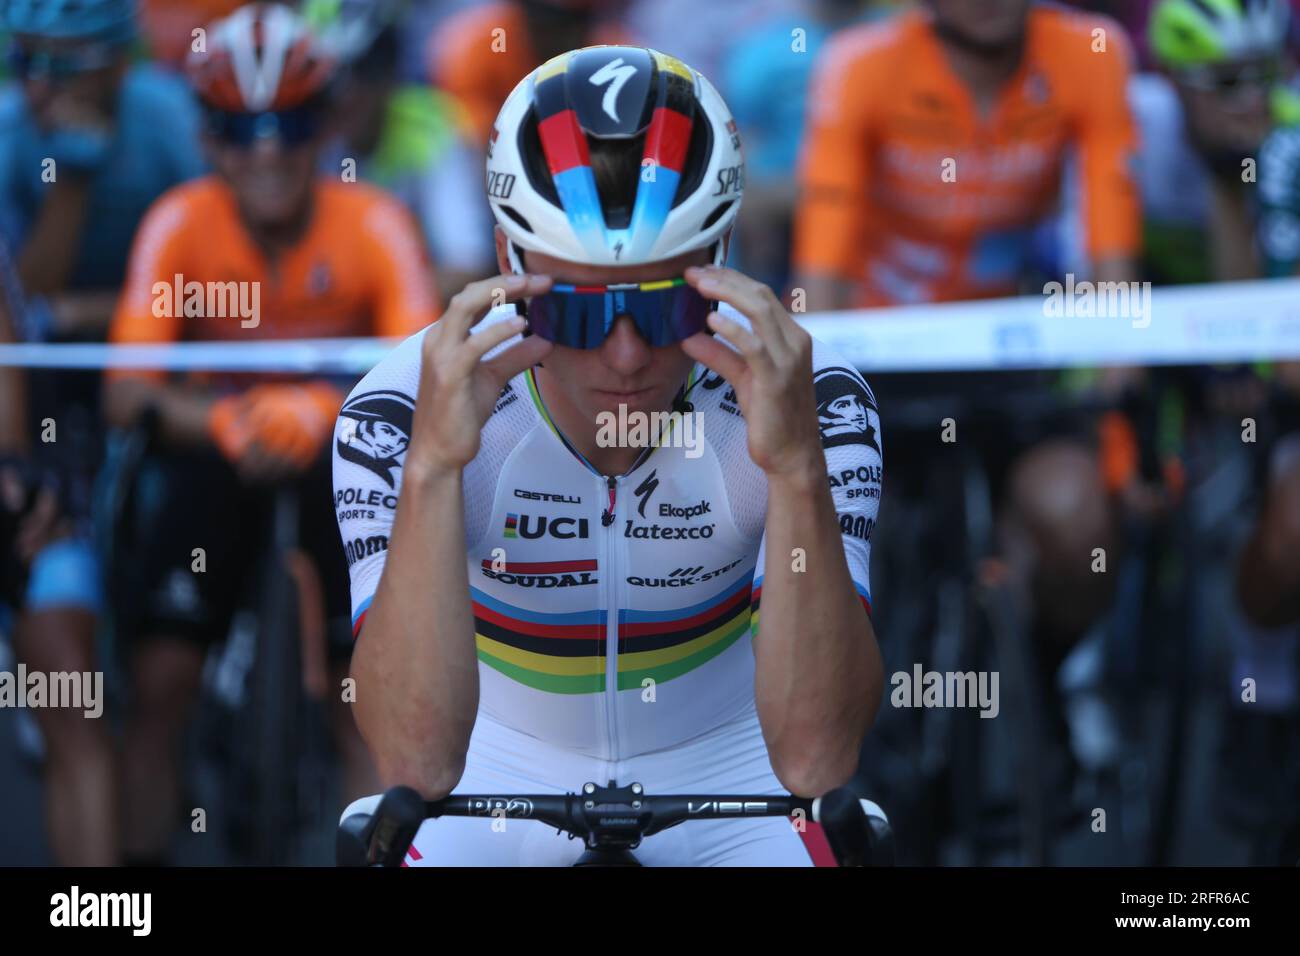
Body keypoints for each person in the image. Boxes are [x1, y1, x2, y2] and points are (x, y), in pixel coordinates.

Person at [336, 45, 885, 866]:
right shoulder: (398, 408)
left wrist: (800, 470)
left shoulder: (816, 395)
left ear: (721, 264)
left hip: (738, 761)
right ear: (506, 263)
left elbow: (815, 759)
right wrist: (432, 470)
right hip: (494, 765)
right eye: (578, 313)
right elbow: (416, 763)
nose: (625, 357)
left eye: (665, 310)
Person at [102, 2, 438, 865]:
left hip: (341, 459)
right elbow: (126, 390)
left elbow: (425, 373)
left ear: (323, 125)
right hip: (217, 453)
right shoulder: (179, 223)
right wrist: (215, 417)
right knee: (161, 680)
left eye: (288, 124)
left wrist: (326, 411)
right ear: (207, 136)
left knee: (364, 696)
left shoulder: (374, 223)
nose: (266, 151)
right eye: (239, 129)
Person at [0, 0, 207, 867]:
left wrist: (113, 318)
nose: (39, 86)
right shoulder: (14, 132)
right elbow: (21, 306)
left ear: (116, 64)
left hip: (148, 373)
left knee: (120, 680)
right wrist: (73, 180)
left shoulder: (167, 119)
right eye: (25, 61)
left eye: (63, 64)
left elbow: (212, 271)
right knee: (71, 699)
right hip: (41, 397)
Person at [793, 0, 1140, 310]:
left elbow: (1111, 207)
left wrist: (1120, 354)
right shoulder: (860, 62)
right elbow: (826, 225)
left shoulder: (1092, 50)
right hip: (879, 311)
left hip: (1015, 310)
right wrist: (820, 362)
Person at [306, 0, 491, 304]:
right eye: (332, 78)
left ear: (391, 71)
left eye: (364, 71)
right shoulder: (301, 136)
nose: (348, 93)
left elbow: (467, 267)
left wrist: (381, 299)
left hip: (410, 328)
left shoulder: (434, 127)